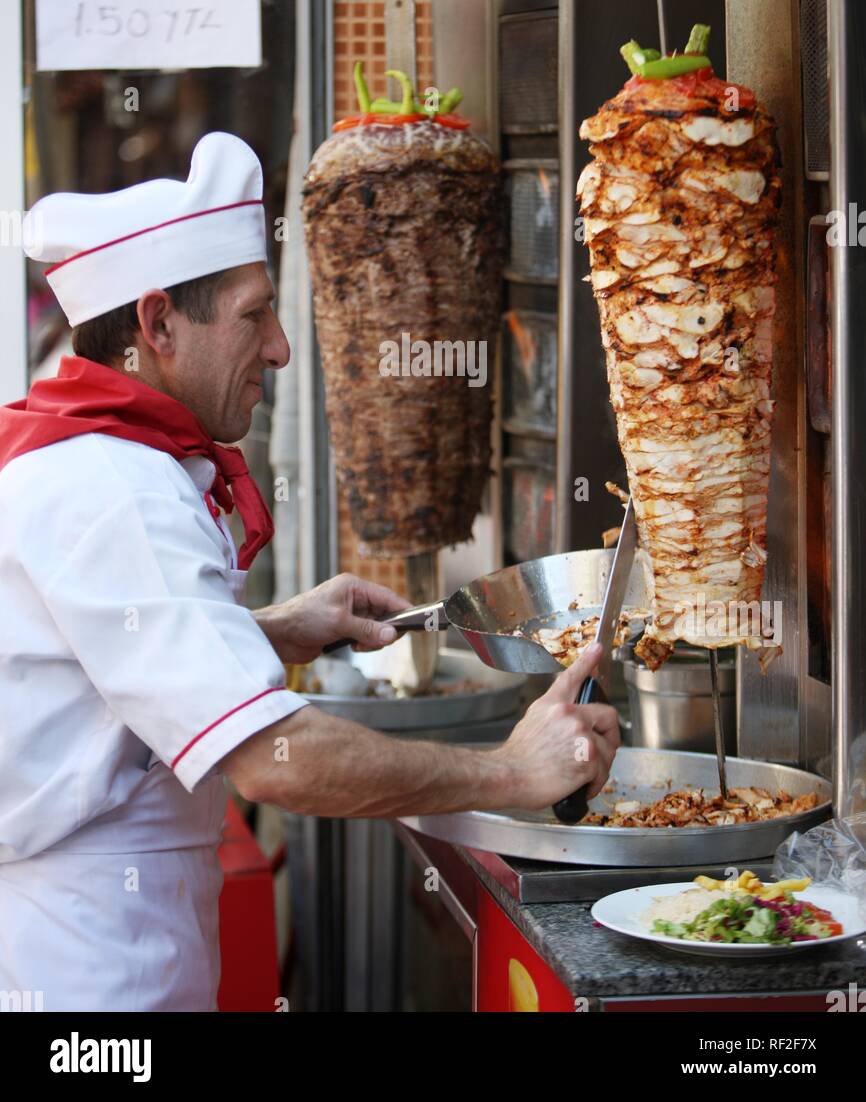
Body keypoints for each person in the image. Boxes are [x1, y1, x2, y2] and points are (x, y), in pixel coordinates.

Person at [0, 132, 618, 1011]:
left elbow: (96, 668)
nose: (282, 349)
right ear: (157, 324)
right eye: (256, 315)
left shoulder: (90, 463)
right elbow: (274, 765)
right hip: (98, 973)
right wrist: (511, 774)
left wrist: (271, 631)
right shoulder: (118, 489)